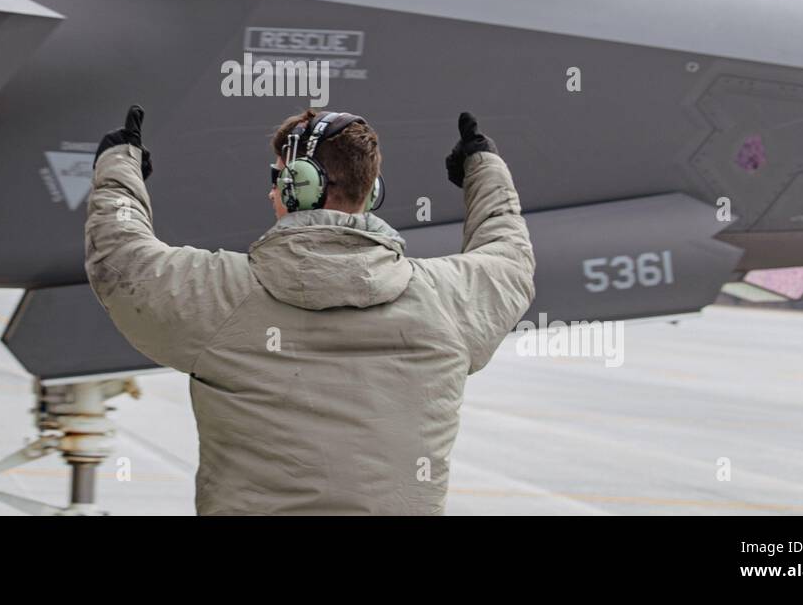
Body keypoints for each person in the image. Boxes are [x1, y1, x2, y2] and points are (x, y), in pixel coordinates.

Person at [84, 105, 535, 515]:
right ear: (371, 190)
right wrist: (483, 168)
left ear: (299, 186)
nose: (272, 192)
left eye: (277, 177)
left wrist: (120, 165)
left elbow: (121, 259)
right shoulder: (444, 300)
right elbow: (509, 256)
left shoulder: (224, 295)